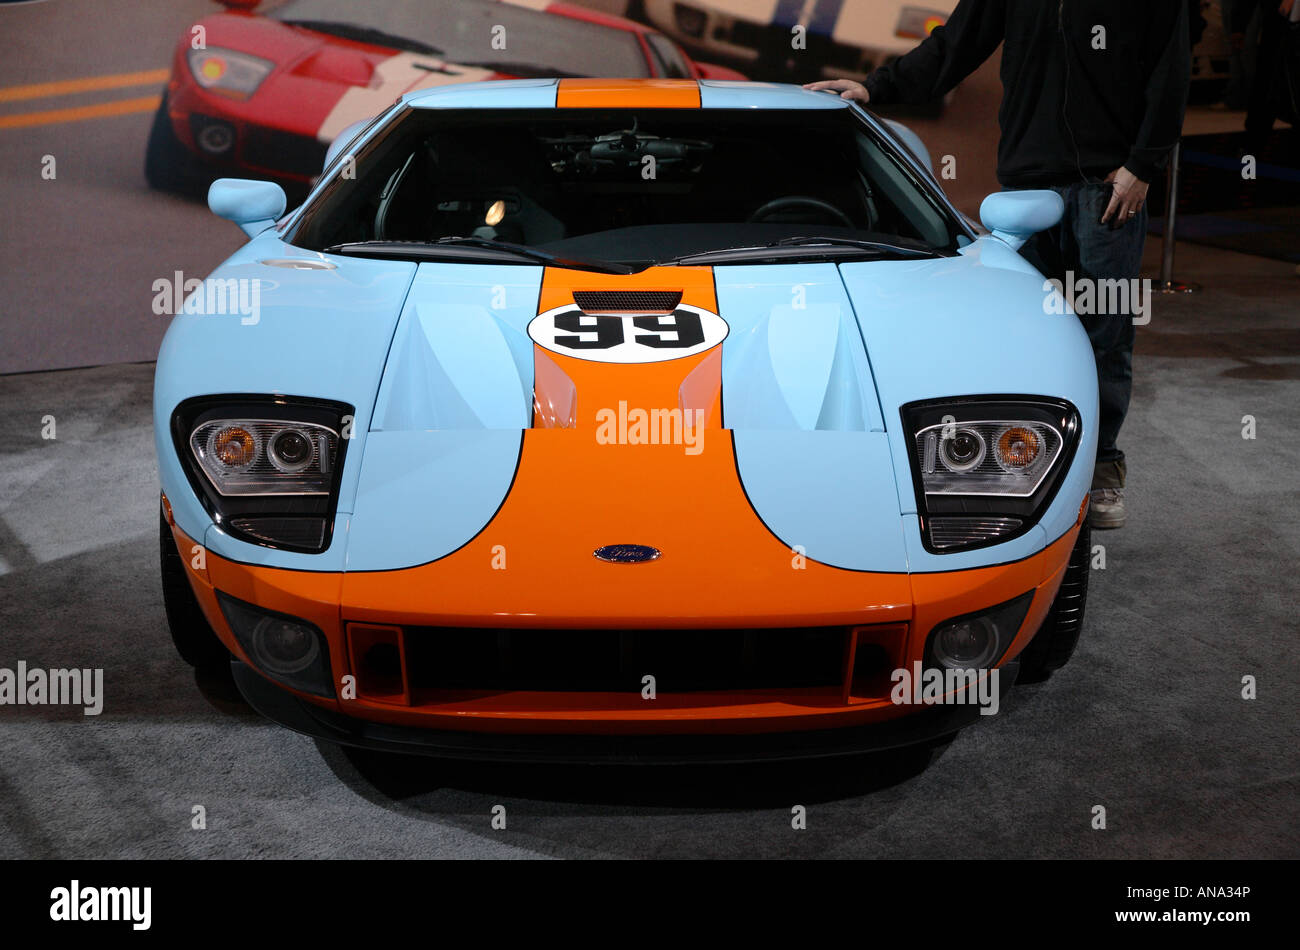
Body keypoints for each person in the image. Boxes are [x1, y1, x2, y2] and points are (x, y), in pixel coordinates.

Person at [806, 1, 1191, 530]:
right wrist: (875, 88)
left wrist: (1143, 165)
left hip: (1108, 189)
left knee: (1105, 335)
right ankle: (1021, 465)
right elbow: (952, 46)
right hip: (1027, 187)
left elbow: (1170, 75)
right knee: (1022, 338)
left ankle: (1101, 471)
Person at [1233, 0, 1299, 157]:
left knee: (1273, 87)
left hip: (1286, 25)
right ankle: (1252, 146)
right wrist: (1239, 25)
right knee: (1266, 87)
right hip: (1279, 27)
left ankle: (1253, 144)